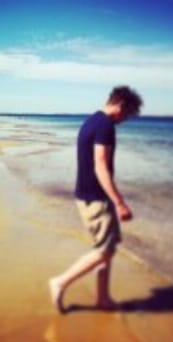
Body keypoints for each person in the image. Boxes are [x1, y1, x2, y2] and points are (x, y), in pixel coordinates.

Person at [49, 86, 143, 313]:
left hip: (86, 195)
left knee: (104, 249)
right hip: (96, 198)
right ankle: (60, 282)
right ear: (120, 105)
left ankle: (103, 298)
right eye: (127, 114)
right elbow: (100, 165)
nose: (125, 120)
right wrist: (119, 202)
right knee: (105, 251)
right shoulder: (105, 126)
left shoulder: (92, 121)